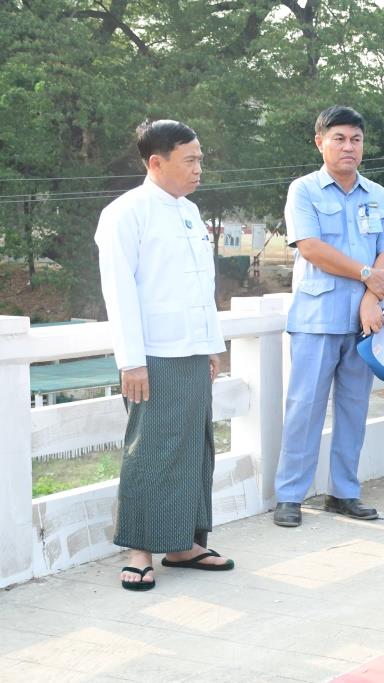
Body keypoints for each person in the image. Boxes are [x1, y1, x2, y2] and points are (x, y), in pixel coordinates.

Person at [95, 119, 233, 591]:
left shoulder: (190, 212)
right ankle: (139, 549)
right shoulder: (125, 213)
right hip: (151, 355)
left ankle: (182, 544)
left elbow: (202, 285)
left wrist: (211, 345)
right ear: (157, 163)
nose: (200, 168)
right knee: (150, 451)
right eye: (190, 160)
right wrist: (131, 360)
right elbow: (120, 293)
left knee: (195, 449)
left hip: (192, 350)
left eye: (200, 159)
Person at [271, 106, 384, 528]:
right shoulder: (304, 190)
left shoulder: (378, 195)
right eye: (339, 138)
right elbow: (310, 247)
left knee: (353, 408)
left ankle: (344, 492)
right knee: (304, 408)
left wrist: (370, 298)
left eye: (356, 139)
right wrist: (366, 277)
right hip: (317, 316)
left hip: (364, 322)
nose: (349, 146)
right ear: (320, 142)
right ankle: (290, 495)